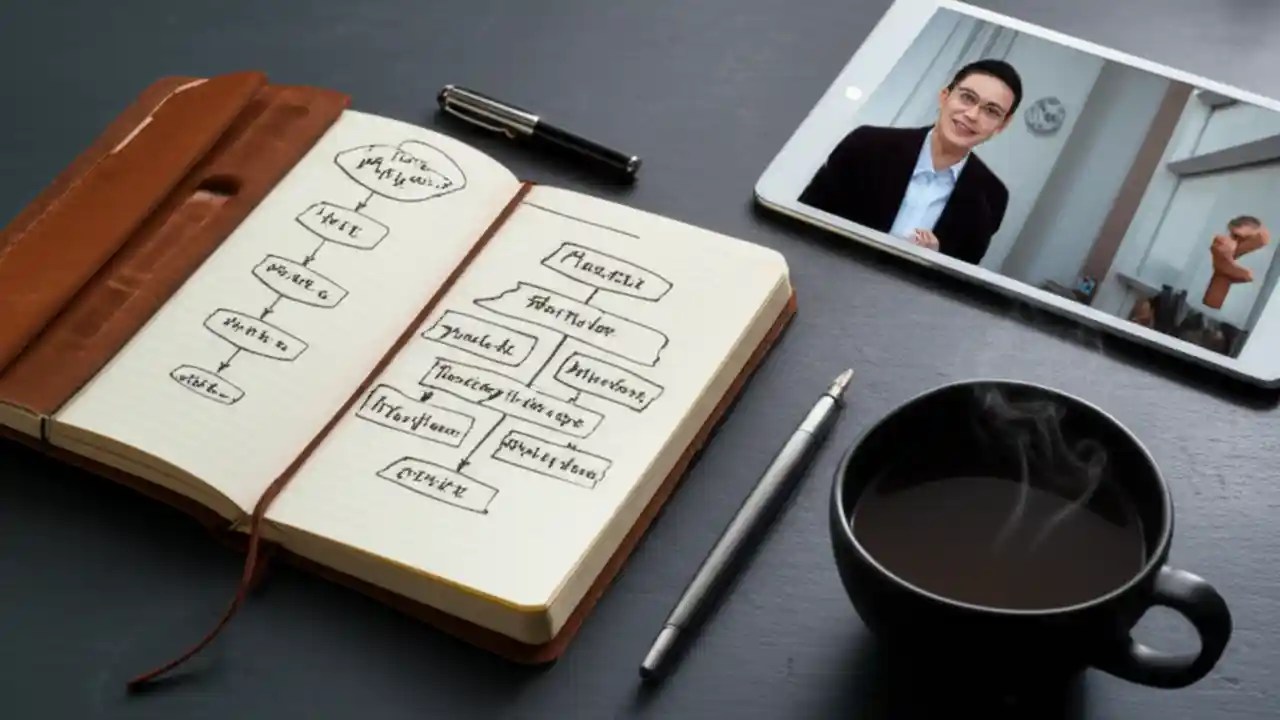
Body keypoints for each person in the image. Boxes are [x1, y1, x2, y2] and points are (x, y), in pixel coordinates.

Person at [799, 58, 1022, 264]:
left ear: (1002, 125)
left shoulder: (993, 197)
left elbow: (960, 284)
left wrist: (937, 259)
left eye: (991, 111)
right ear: (944, 96)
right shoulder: (866, 145)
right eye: (967, 97)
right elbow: (803, 218)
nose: (972, 114)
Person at [1203, 214, 1270, 309]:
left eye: (1237, 237)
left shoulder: (1262, 261)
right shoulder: (1223, 253)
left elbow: (1248, 276)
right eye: (1232, 236)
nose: (1230, 240)